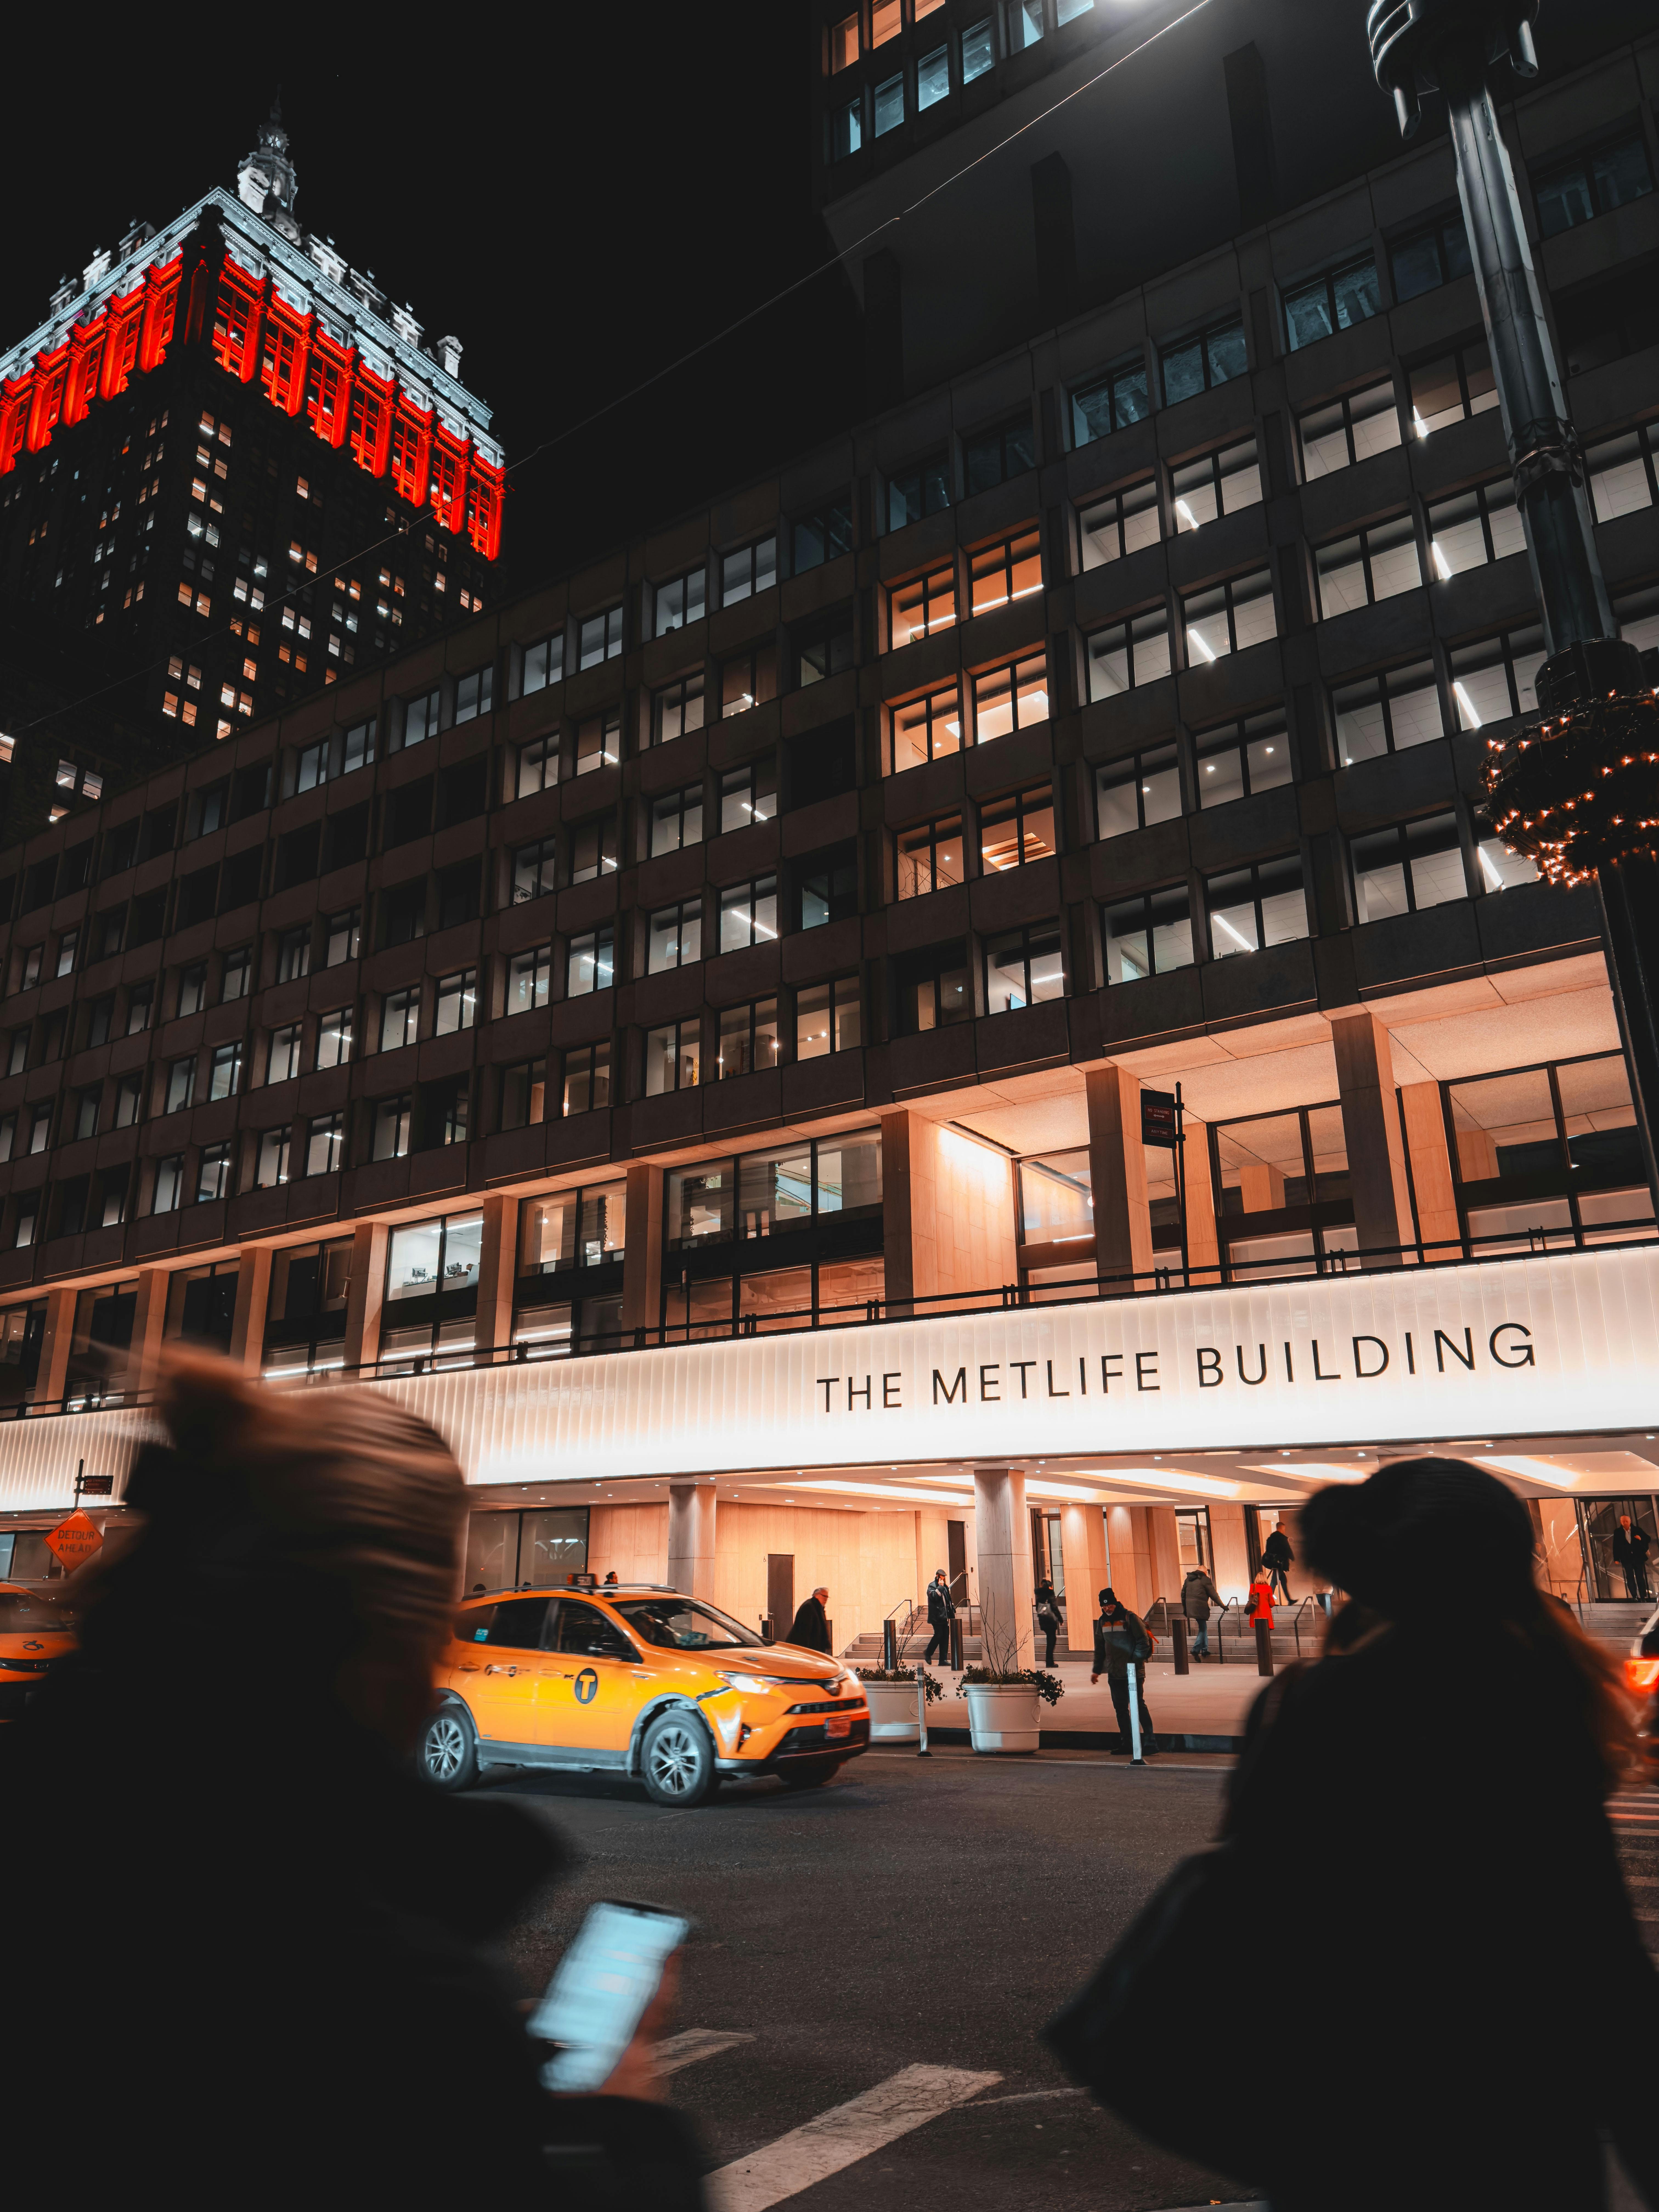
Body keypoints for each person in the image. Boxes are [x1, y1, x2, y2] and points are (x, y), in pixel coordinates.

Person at [2, 1353, 707, 2206]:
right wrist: (627, 2122)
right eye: (441, 1616)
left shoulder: (60, 1816)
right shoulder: (397, 2011)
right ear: (393, 1644)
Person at [1220, 1458, 1659, 2210]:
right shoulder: (1529, 1704)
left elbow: (1249, 1907)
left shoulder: (1306, 1704)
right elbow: (1600, 1960)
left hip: (1342, 2116)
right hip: (1518, 2120)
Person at [1091, 1586, 1155, 1756]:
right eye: (1104, 1606)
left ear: (1115, 1602)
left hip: (1133, 1672)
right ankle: (1127, 1743)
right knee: (1121, 1709)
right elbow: (1100, 1648)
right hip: (1115, 1673)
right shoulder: (1102, 1622)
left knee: (1138, 1705)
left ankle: (1151, 1743)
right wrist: (1097, 1670)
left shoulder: (1130, 1618)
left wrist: (1134, 1662)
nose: (1107, 1608)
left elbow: (1143, 1642)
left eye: (1109, 1605)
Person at [1181, 1563, 1223, 1659]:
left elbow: (1183, 1595)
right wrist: (1222, 1605)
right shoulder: (1205, 1579)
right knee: (1203, 1629)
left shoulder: (1188, 1579)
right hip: (1200, 1608)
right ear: (1205, 1572)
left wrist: (1185, 1608)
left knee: (1203, 1627)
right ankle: (1196, 1649)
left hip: (1191, 1608)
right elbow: (1213, 1594)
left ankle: (1204, 1650)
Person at [1613, 1513, 1652, 1602]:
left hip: (1638, 1557)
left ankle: (1643, 1596)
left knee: (1640, 1577)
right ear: (1621, 1522)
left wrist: (1640, 1539)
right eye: (1623, 1521)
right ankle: (1635, 1596)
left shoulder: (1637, 1530)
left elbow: (1648, 1539)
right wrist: (1616, 1559)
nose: (1625, 1523)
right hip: (1626, 1558)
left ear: (1630, 1521)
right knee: (1630, 1577)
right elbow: (1616, 1546)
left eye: (1627, 1521)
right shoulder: (1618, 1532)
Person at [923, 1568, 955, 1666]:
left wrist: (952, 1609)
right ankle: (928, 1652)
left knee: (945, 1637)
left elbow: (948, 1600)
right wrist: (940, 1588)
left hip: (945, 1617)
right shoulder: (932, 1586)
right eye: (942, 1577)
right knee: (939, 1635)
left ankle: (943, 1660)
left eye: (945, 1577)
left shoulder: (945, 1587)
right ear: (938, 1576)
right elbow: (934, 1597)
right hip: (936, 1617)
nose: (944, 1579)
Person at [786, 1584, 832, 1652]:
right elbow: (804, 1631)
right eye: (824, 1596)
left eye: (827, 1597)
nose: (826, 1599)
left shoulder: (818, 1608)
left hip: (815, 1647)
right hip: (808, 1648)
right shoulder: (809, 1607)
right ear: (816, 1595)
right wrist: (806, 1650)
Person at [1262, 1520, 1294, 1605]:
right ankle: (1268, 1600)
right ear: (1281, 1529)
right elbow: (1288, 1550)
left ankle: (1289, 1600)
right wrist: (1292, 1558)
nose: (1284, 1531)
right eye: (1284, 1529)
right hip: (1278, 1564)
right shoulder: (1282, 1539)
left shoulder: (1270, 1539)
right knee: (1274, 1582)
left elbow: (1268, 1550)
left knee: (1283, 1581)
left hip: (1273, 1563)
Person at [1035, 1577, 1063, 1667]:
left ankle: (1049, 1661)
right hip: (1051, 1621)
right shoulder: (1050, 1595)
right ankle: (1050, 1662)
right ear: (1050, 1587)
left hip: (1043, 1621)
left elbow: (1037, 1609)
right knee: (1052, 1641)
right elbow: (1055, 1608)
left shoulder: (1039, 1596)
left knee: (1050, 1640)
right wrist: (1060, 1619)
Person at [1246, 1565, 1275, 1634]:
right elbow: (1272, 1603)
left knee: (1258, 1632)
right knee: (1266, 1633)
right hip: (1266, 1613)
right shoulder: (1268, 1588)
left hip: (1255, 1612)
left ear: (1257, 1579)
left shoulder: (1253, 1587)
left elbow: (1250, 1598)